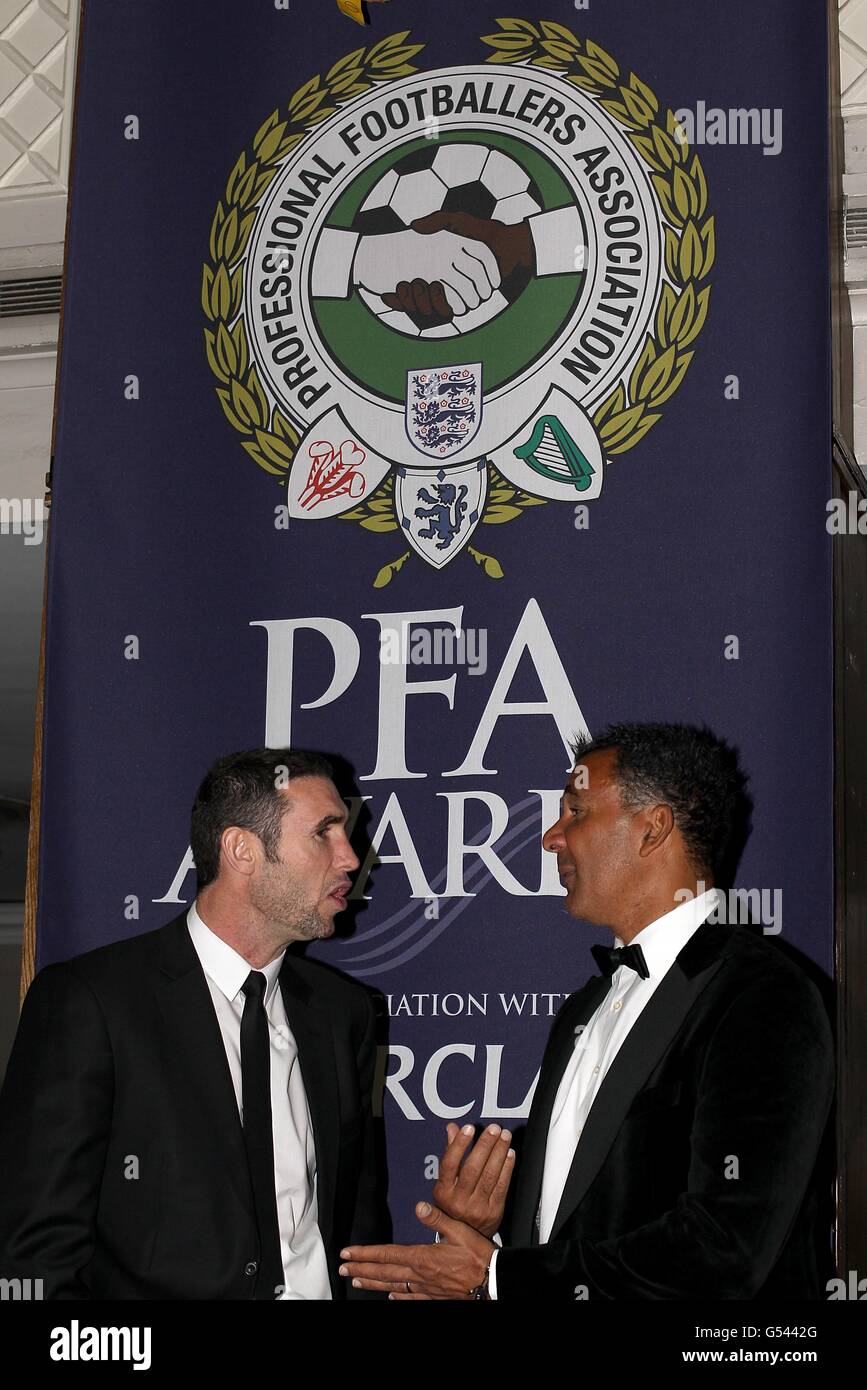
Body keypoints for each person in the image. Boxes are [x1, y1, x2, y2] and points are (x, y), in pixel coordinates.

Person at [339, 722, 835, 1300]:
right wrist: (483, 1239)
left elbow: (725, 1250)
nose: (551, 838)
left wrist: (495, 1279)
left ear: (653, 830)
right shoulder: (585, 1007)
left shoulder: (764, 996)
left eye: (576, 812)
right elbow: (571, 1240)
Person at [0, 747, 386, 1299]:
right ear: (241, 850)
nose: (351, 858)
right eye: (323, 833)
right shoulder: (94, 1002)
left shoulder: (341, 1012)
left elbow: (356, 1233)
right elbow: (34, 1255)